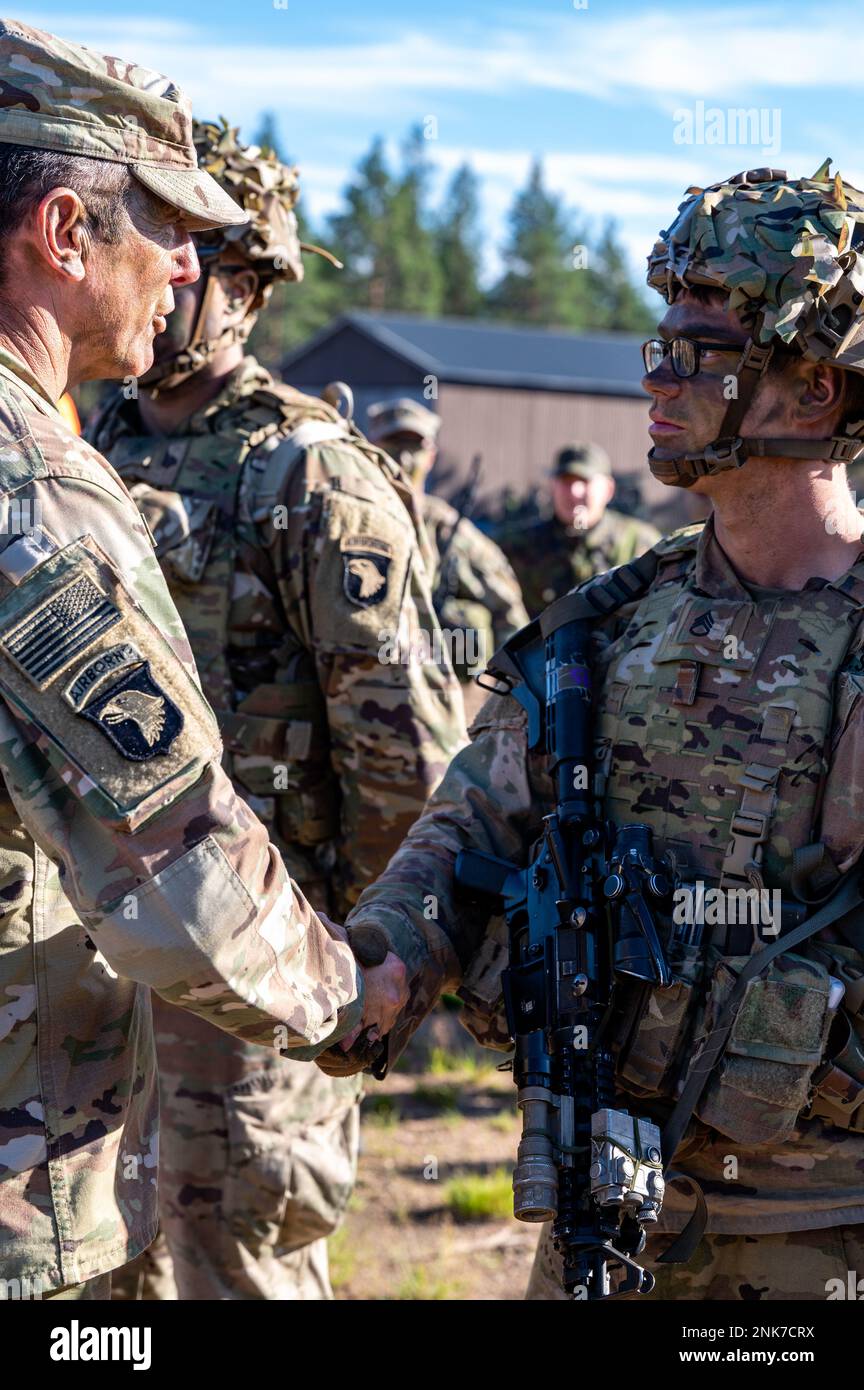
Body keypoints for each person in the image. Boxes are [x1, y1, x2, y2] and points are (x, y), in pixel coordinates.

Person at [325, 164, 864, 1301]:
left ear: (816, 389)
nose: (657, 383)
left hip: (824, 1232)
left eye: (698, 354)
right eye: (654, 347)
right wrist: (381, 963)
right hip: (607, 1207)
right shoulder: (609, 623)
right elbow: (473, 817)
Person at [0, 20, 405, 1303]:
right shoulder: (36, 496)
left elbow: (397, 740)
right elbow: (177, 868)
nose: (186, 265)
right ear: (66, 236)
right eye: (162, 224)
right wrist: (360, 997)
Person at [88, 121, 468, 1300]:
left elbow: (407, 758)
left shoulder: (312, 475)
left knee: (233, 1259)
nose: (169, 271)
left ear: (247, 286)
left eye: (195, 252)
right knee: (105, 1271)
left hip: (256, 970)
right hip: (96, 956)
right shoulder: (79, 448)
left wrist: (362, 969)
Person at [366, 397, 528, 698]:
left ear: (431, 456)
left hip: (447, 697)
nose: (403, 458)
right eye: (392, 444)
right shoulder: (353, 522)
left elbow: (509, 613)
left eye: (414, 446)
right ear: (371, 450)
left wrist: (505, 699)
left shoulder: (448, 531)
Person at [494, 441, 660, 617]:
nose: (574, 492)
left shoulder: (640, 543)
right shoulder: (516, 546)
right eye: (566, 481)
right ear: (553, 486)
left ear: (608, 489)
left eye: (584, 481)